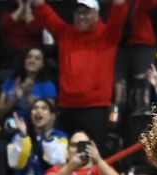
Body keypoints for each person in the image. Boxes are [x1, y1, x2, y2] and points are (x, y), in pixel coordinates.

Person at [32, 0, 127, 147]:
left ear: (96, 14)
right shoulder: (65, 33)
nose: (81, 16)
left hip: (96, 108)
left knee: (94, 157)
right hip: (67, 107)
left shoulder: (108, 35)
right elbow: (43, 10)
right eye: (78, 12)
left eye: (86, 12)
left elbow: (119, 11)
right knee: (64, 156)